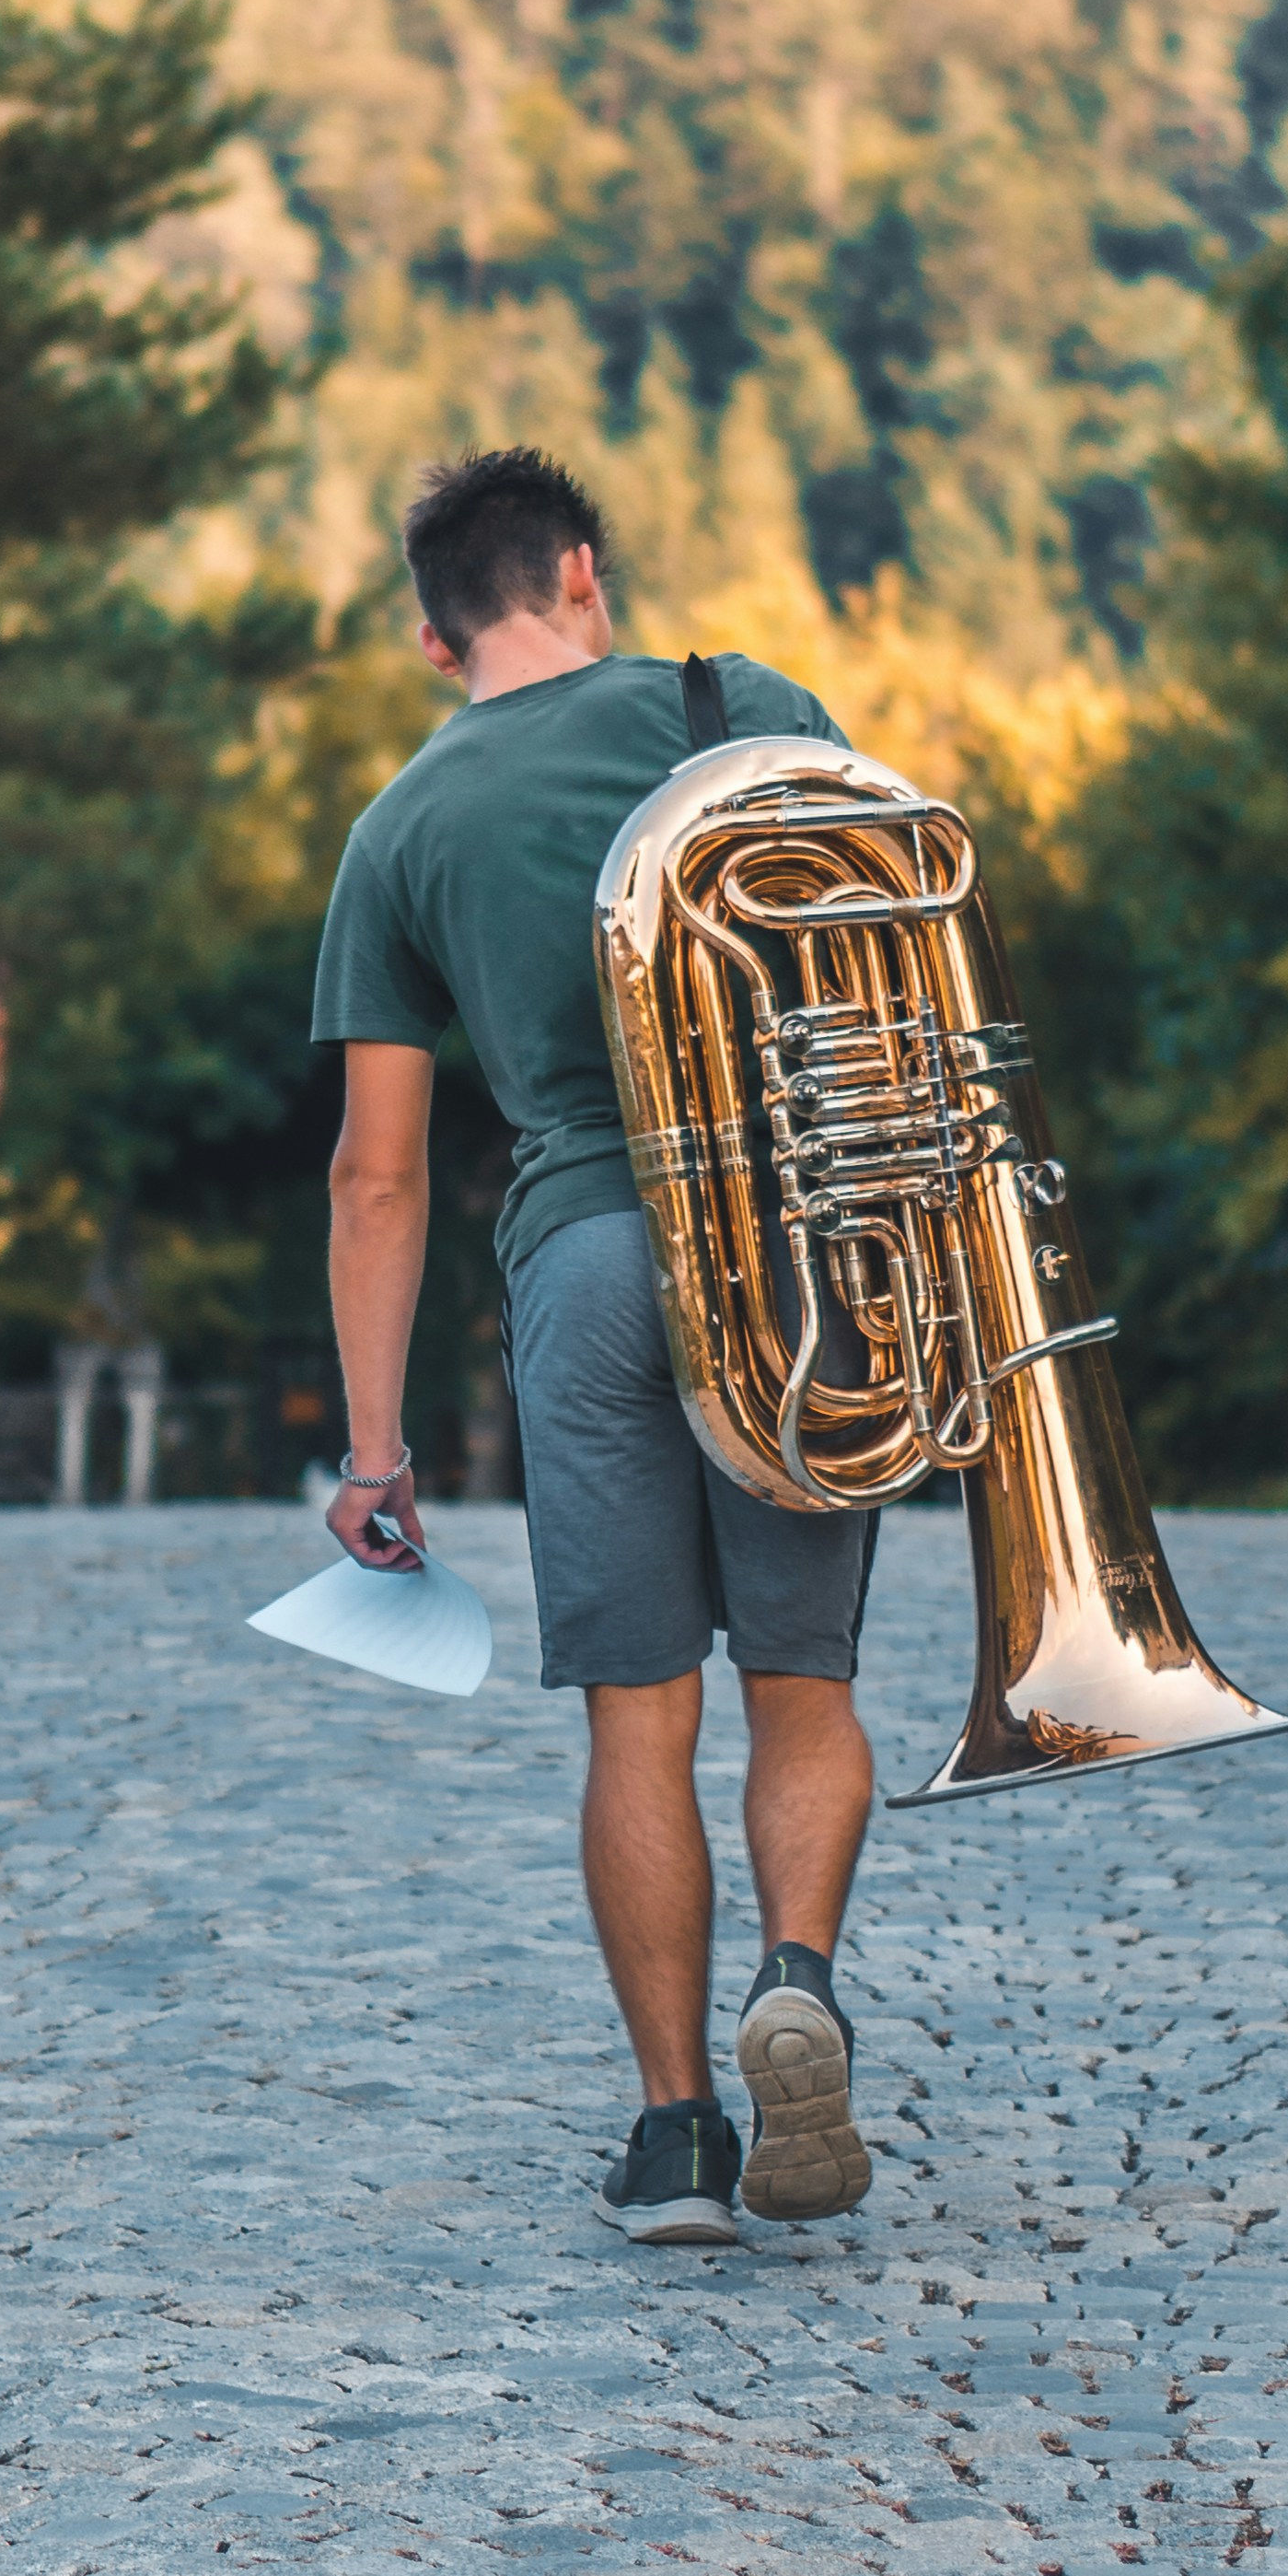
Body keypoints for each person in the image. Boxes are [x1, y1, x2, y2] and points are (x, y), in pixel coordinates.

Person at [310, 446, 876, 2247]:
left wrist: (377, 1449)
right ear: (577, 569)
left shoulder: (399, 829)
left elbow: (376, 1172)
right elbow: (889, 979)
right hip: (785, 1256)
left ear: (430, 632)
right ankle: (793, 1975)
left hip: (579, 1258)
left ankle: (676, 2137)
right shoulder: (742, 710)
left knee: (638, 1719)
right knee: (803, 1686)